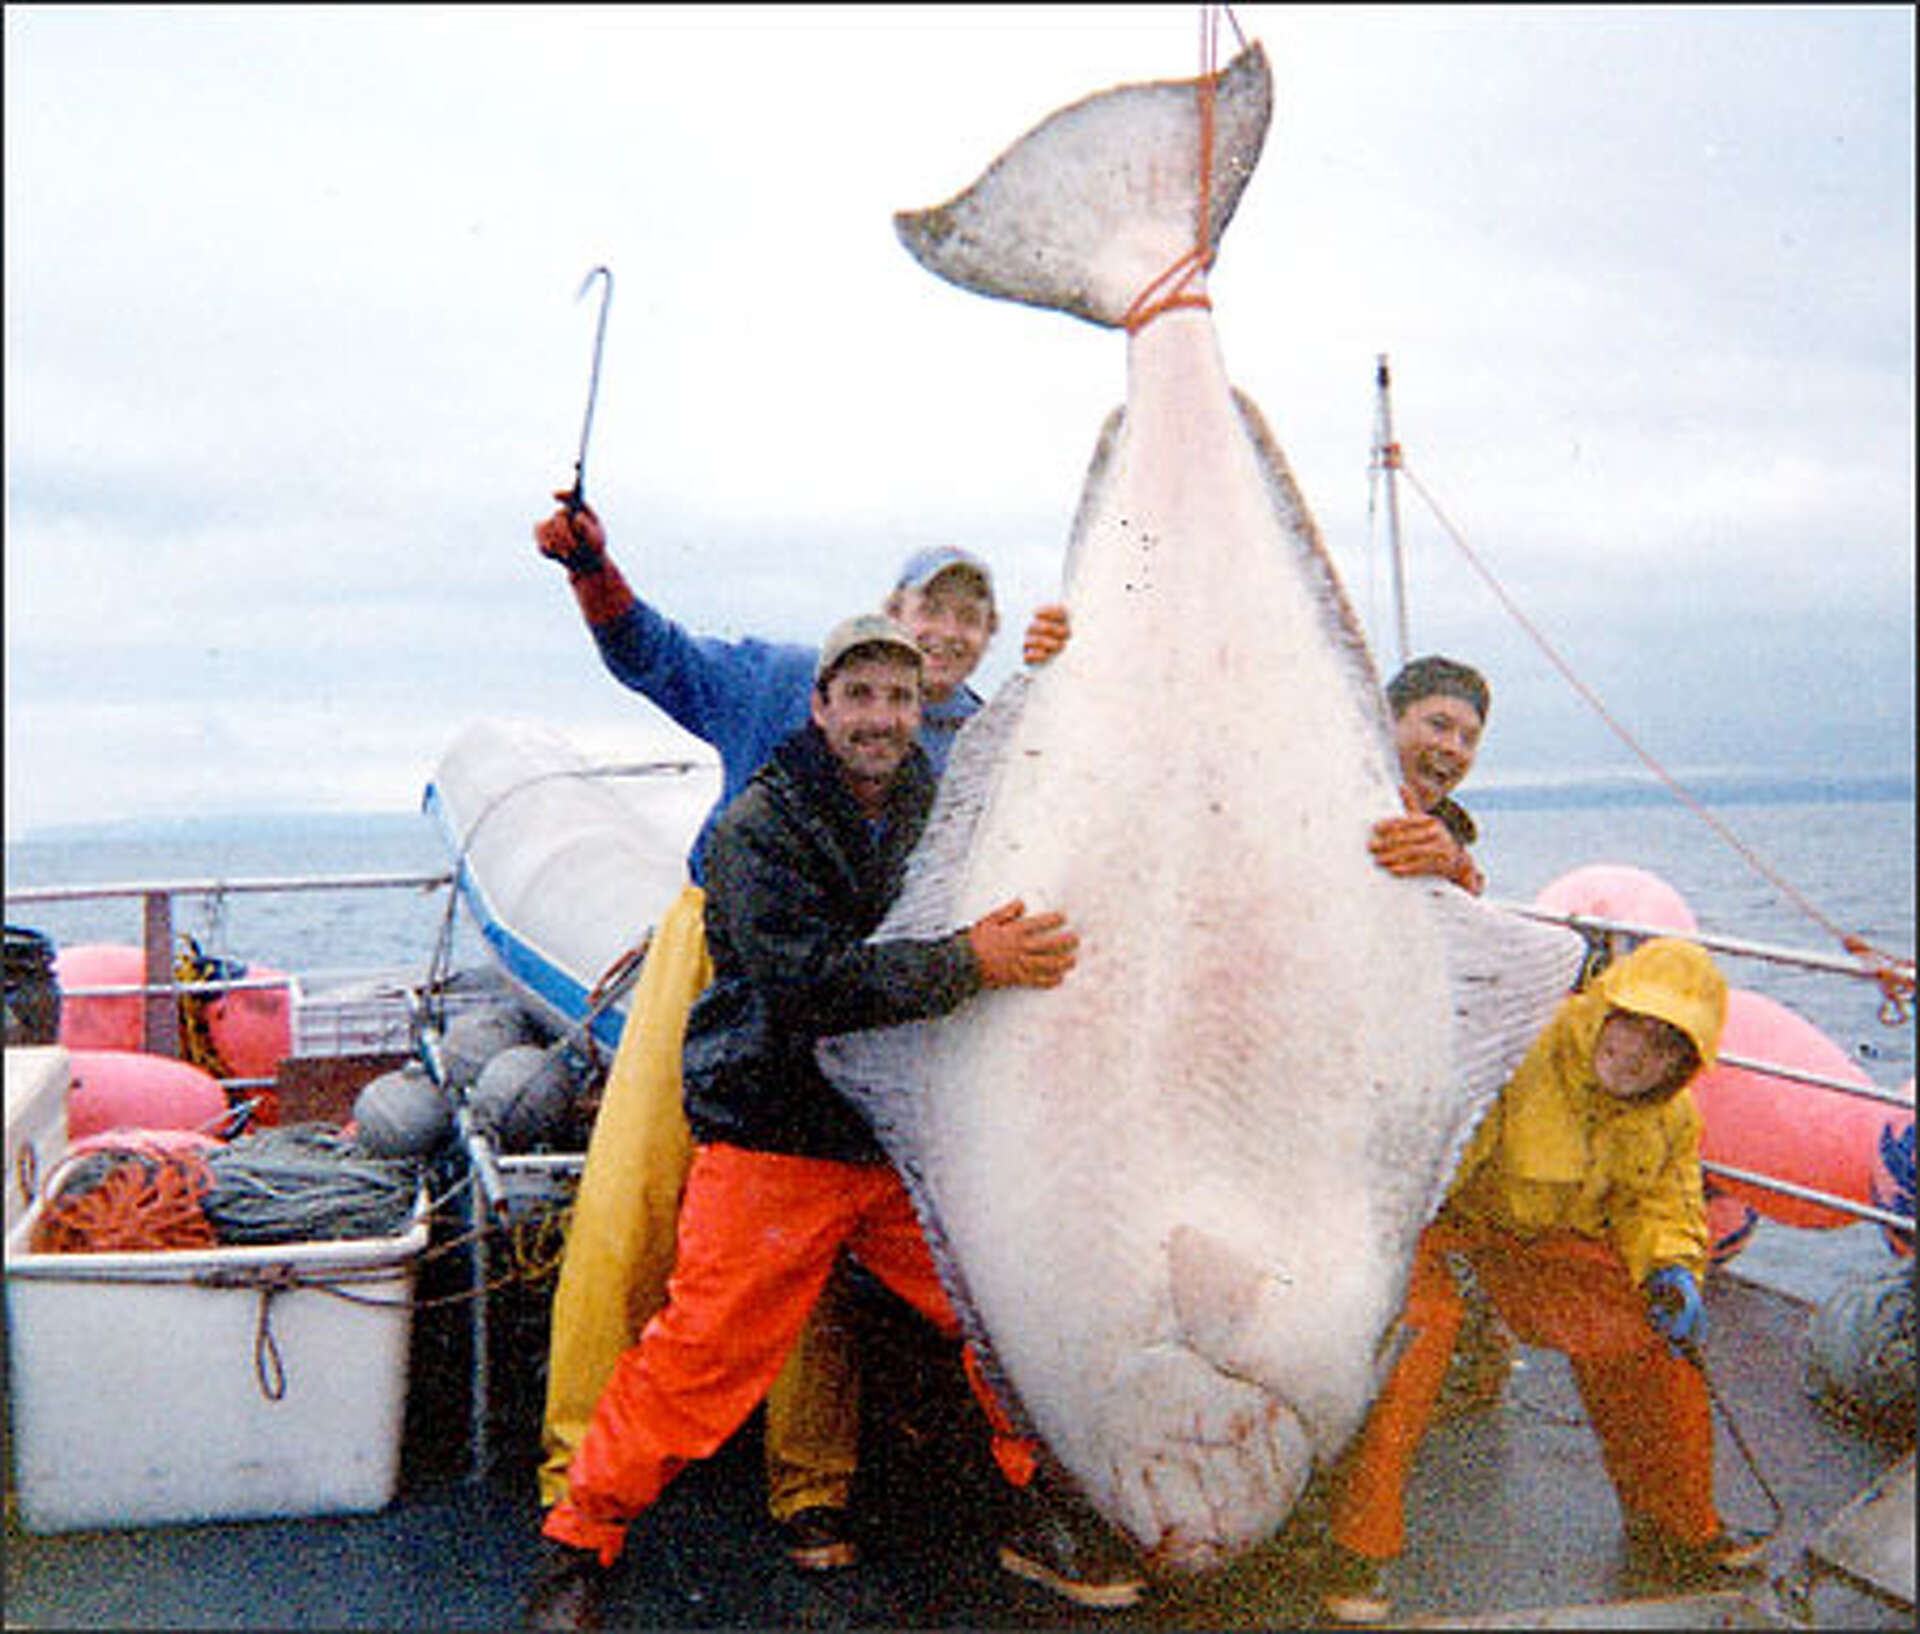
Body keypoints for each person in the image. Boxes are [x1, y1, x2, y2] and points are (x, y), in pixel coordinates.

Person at [525, 616, 1144, 1629]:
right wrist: (971, 962)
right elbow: (808, 982)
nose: (881, 717)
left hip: (895, 1142)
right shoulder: (757, 826)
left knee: (999, 1323)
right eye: (858, 695)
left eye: (899, 699)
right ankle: (579, 1537)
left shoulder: (935, 807)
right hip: (779, 1139)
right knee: (701, 1355)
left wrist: (1056, 671)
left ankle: (1047, 1503)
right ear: (820, 706)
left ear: (921, 711)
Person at [1316, 936, 1767, 1625]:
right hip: (1440, 1219)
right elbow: (1433, 1160)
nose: (1637, 1052)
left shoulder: (1672, 1116)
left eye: (1665, 1044)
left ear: (1686, 1062)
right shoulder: (1520, 1053)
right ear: (1602, 1011)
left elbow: (1664, 1205)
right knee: (1417, 1330)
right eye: (1632, 1025)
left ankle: (1676, 1525)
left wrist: (1673, 1269)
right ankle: (1354, 1545)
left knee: (1654, 1332)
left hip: (1538, 1240)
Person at [1368, 654, 1490, 895]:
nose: (1453, 747)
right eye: (1439, 725)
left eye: (1469, 739)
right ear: (1385, 722)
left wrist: (1456, 871)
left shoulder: (1452, 844)